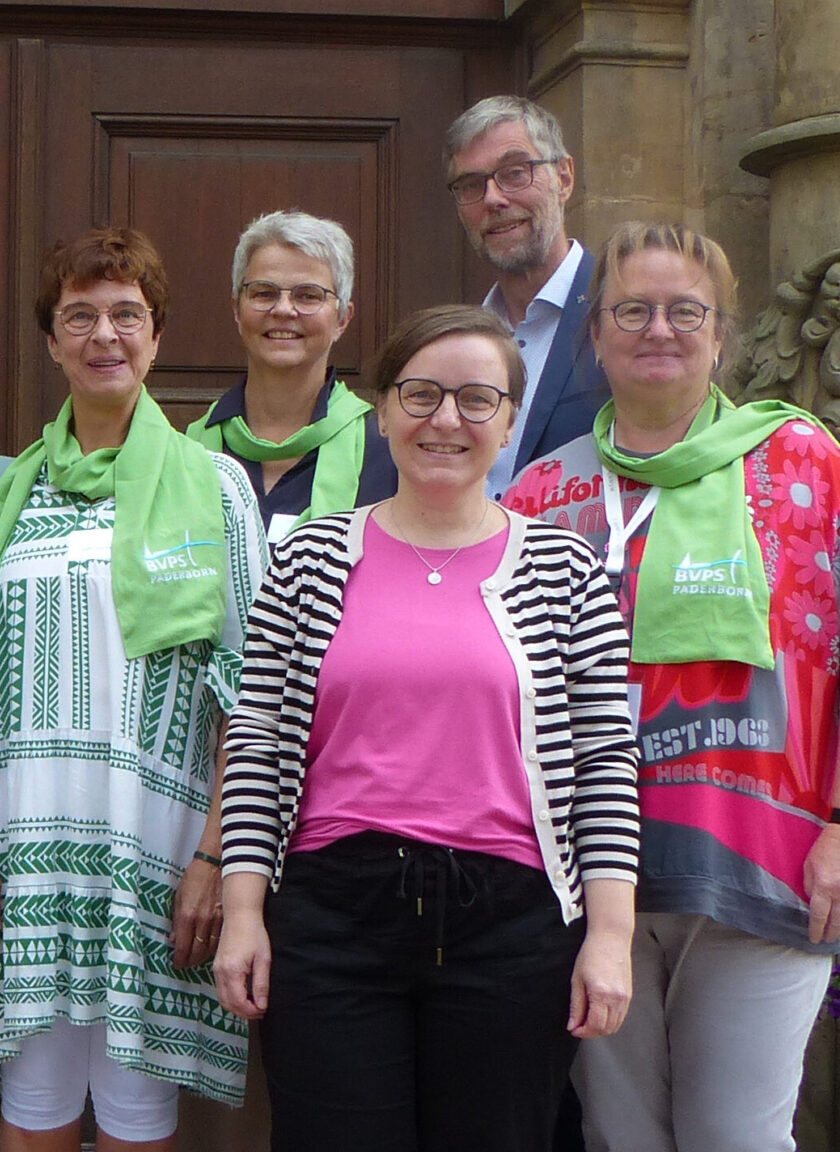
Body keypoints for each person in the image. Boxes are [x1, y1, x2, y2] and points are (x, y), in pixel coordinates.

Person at [217, 304, 641, 1152]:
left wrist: (610, 936)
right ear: (382, 411)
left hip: (511, 926)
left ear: (509, 421)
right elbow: (259, 743)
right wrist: (242, 913)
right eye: (421, 394)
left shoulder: (566, 568)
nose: (446, 419)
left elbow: (603, 760)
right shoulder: (308, 559)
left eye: (477, 399)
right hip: (333, 917)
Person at [0, 226, 267, 1151]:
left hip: (153, 852)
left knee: (136, 1116)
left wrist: (215, 858)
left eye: (127, 314)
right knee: (31, 1110)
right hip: (18, 844)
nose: (103, 334)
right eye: (81, 315)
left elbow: (252, 685)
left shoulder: (216, 487)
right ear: (52, 340)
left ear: (156, 337)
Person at [502, 221, 840, 1152]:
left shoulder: (807, 464)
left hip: (763, 859)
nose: (660, 329)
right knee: (621, 1138)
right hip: (582, 875)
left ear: (722, 334)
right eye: (633, 310)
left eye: (685, 310)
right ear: (596, 336)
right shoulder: (533, 496)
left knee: (735, 1138)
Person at [188, 210, 395, 540]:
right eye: (263, 293)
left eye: (308, 295)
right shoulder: (190, 450)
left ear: (342, 318)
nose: (283, 309)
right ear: (236, 310)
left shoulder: (387, 452)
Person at [445, 95, 608, 492]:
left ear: (564, 178)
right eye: (471, 184)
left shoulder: (622, 314)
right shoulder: (456, 342)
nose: (493, 198)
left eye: (515, 173)